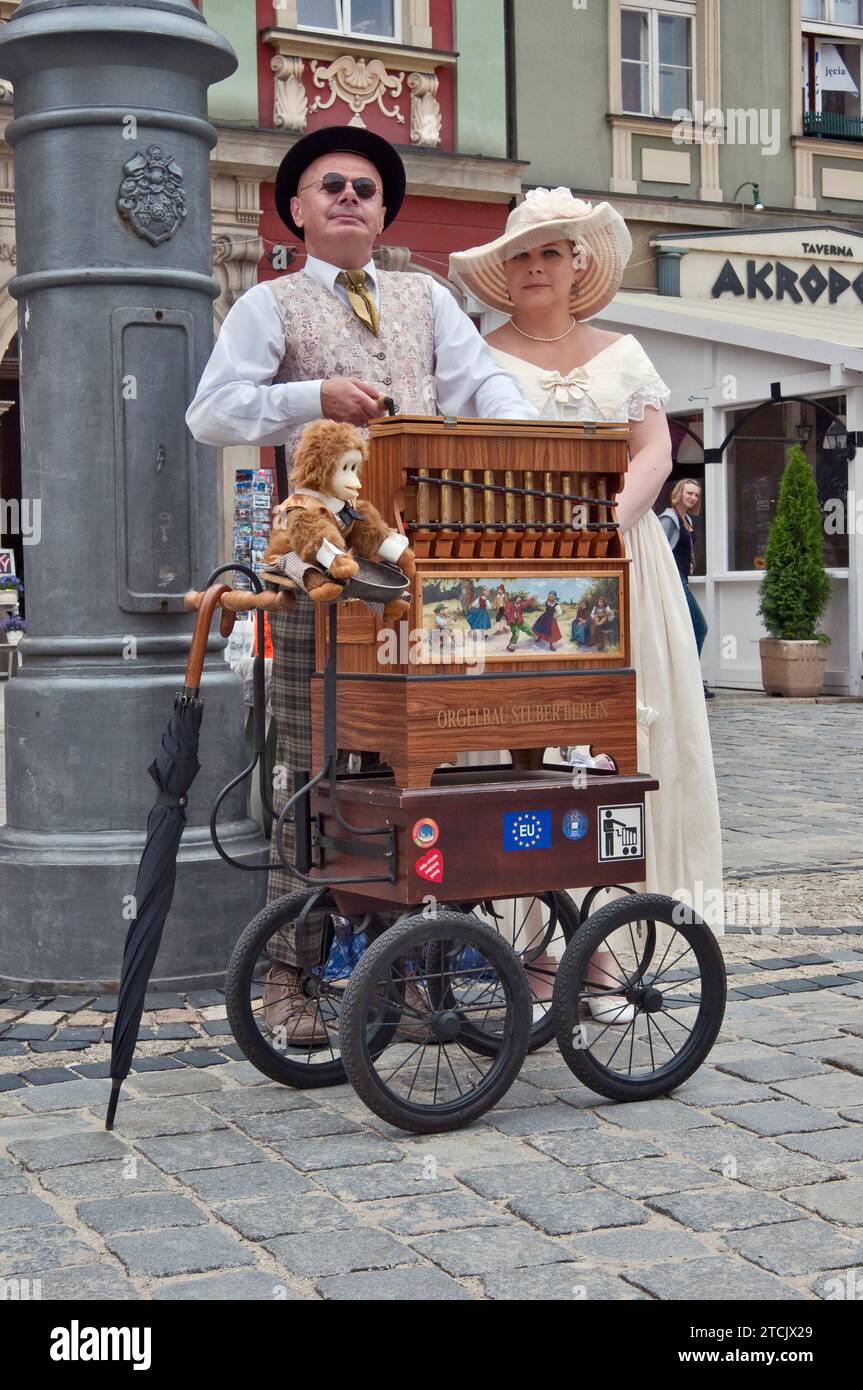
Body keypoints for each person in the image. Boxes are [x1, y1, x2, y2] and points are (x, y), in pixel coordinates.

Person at [186, 124, 537, 1042]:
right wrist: (311, 397)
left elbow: (484, 387)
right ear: (297, 209)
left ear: (383, 213)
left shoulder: (426, 298)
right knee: (318, 776)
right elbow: (210, 413)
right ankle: (289, 978)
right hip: (323, 583)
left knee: (425, 772)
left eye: (366, 189)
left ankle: (418, 971)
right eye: (329, 185)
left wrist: (518, 438)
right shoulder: (270, 305)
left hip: (422, 573)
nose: (349, 197)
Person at [450, 187, 724, 1021]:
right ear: (505, 271)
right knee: (530, 747)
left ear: (577, 264)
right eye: (523, 254)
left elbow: (652, 452)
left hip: (618, 557)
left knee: (614, 742)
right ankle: (533, 951)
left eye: (552, 252)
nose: (537, 266)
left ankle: (605, 945)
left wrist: (605, 524)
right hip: (515, 568)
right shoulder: (475, 356)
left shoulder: (624, 352)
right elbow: (462, 463)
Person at [659, 479, 713, 699]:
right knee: (699, 627)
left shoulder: (688, 519)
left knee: (685, 633)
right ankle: (691, 683)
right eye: (689, 493)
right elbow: (659, 550)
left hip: (683, 579)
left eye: (696, 495)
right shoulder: (669, 518)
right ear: (679, 493)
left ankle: (685, 683)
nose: (693, 498)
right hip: (675, 581)